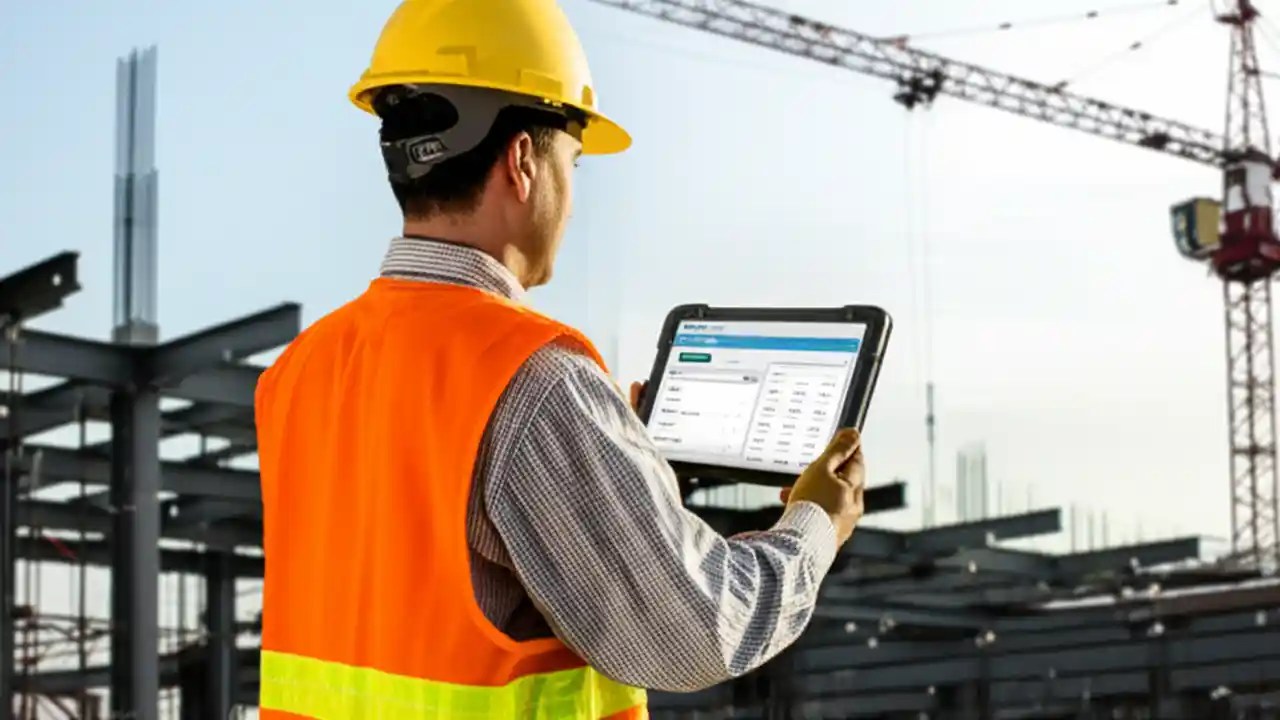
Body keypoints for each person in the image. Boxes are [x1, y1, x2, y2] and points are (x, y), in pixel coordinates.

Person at [253, 1, 867, 718]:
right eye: (573, 162)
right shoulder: (534, 380)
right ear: (521, 162)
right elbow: (699, 632)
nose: (573, 198)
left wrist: (613, 463)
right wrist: (815, 524)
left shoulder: (300, 369)